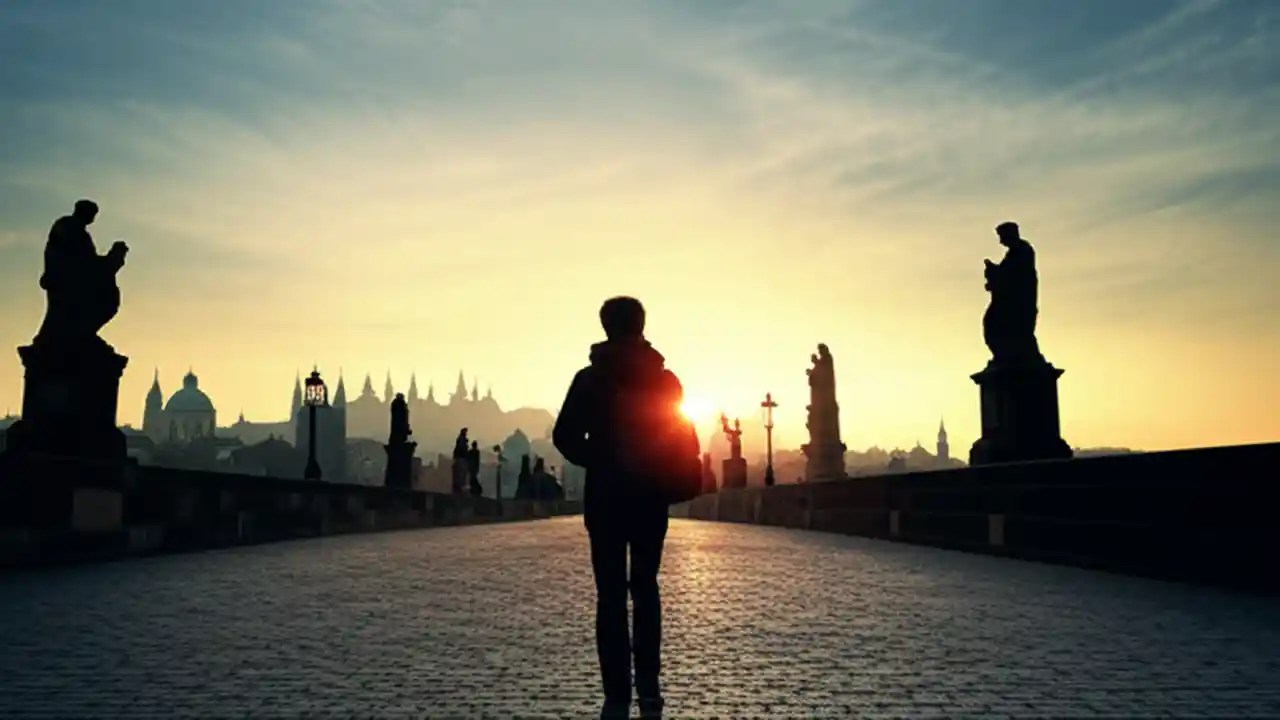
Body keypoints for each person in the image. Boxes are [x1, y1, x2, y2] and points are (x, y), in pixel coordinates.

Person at [553, 295, 690, 718]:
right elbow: (680, 432)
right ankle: (648, 688)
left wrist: (600, 459)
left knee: (610, 595)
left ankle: (616, 694)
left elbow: (564, 436)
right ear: (640, 325)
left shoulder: (589, 379)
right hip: (650, 495)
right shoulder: (666, 381)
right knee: (645, 589)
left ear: (605, 326)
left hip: (607, 497)